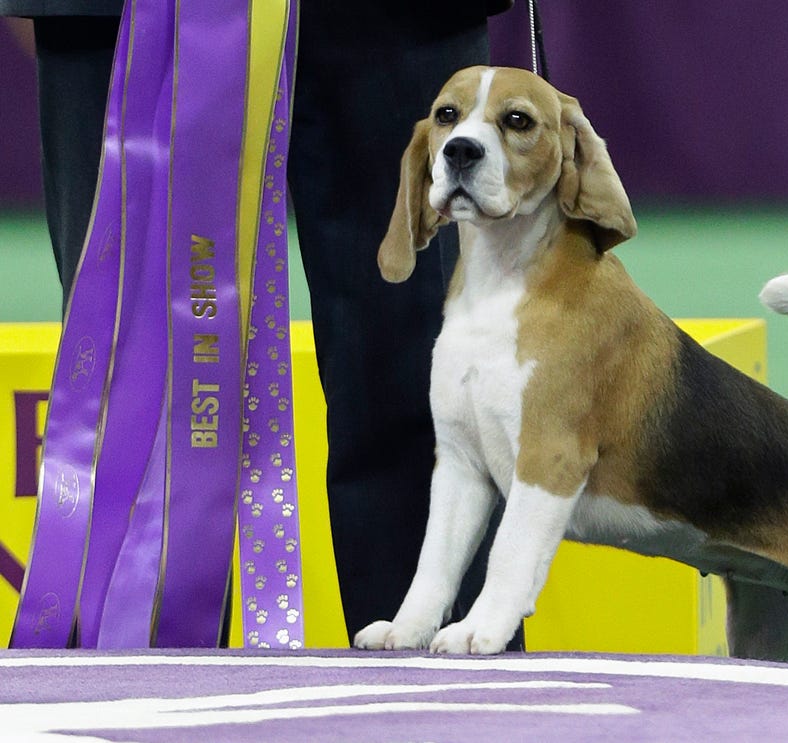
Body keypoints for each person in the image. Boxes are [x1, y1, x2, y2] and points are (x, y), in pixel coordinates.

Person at [0, 0, 523, 649]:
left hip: (396, 23)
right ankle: (138, 703)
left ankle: (461, 711)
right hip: (127, 15)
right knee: (135, 404)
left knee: (426, 386)